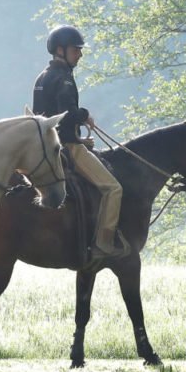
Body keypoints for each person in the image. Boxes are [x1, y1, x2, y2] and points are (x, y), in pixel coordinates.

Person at [31, 25, 125, 260]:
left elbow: (45, 117)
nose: (80, 54)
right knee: (114, 189)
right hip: (66, 148)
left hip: (49, 144)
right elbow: (66, 114)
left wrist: (80, 138)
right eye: (76, 50)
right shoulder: (64, 79)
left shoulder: (42, 77)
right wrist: (84, 115)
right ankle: (104, 242)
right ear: (60, 50)